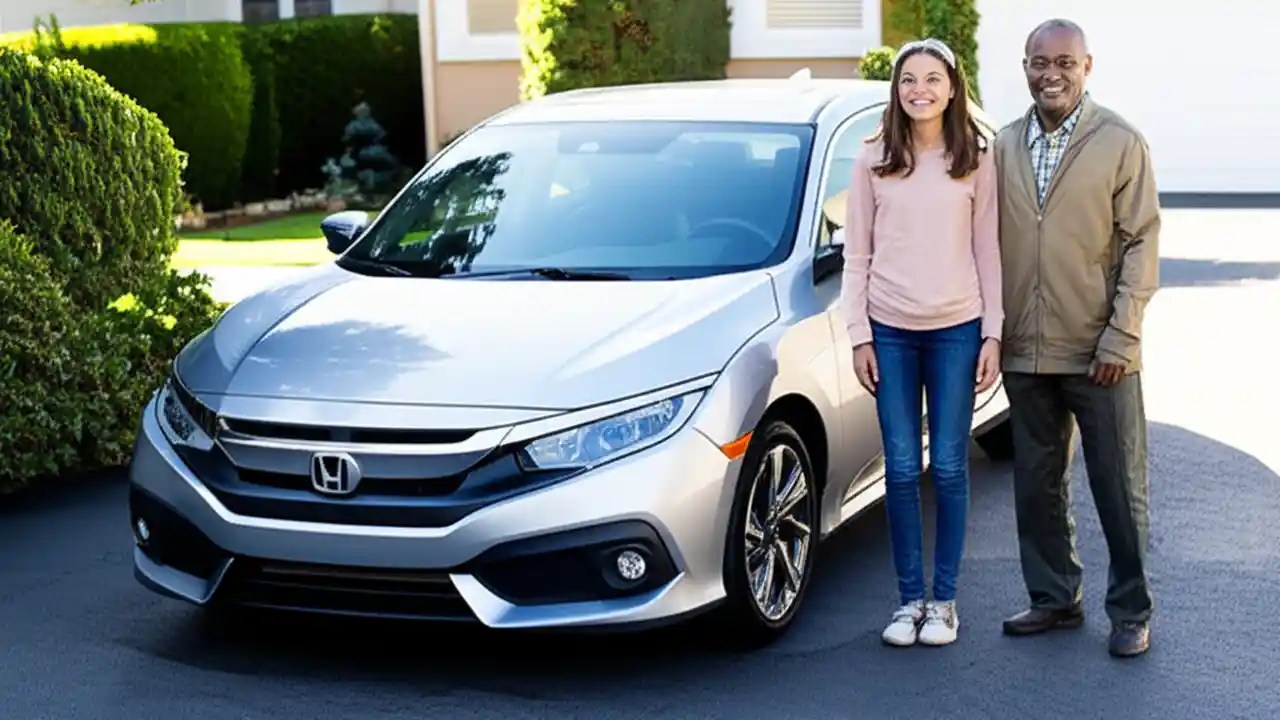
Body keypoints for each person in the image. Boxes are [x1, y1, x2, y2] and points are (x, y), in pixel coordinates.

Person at [991, 18, 1160, 658]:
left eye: (1064, 62)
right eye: (1039, 62)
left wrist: (1122, 335)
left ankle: (1131, 610)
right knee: (1036, 484)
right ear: (1026, 66)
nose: (1051, 73)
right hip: (1026, 350)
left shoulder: (1119, 141)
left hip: (1101, 352)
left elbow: (1142, 240)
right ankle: (1054, 598)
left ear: (1087, 66)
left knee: (1118, 487)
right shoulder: (1004, 145)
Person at [840, 37, 1003, 648]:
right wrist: (860, 335)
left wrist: (994, 331)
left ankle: (945, 602)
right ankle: (909, 600)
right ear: (896, 88)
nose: (920, 90)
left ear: (953, 88)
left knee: (952, 465)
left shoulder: (975, 158)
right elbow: (857, 255)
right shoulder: (873, 157)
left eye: (933, 79)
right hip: (891, 330)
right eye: (909, 79)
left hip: (958, 329)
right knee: (902, 468)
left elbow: (988, 250)